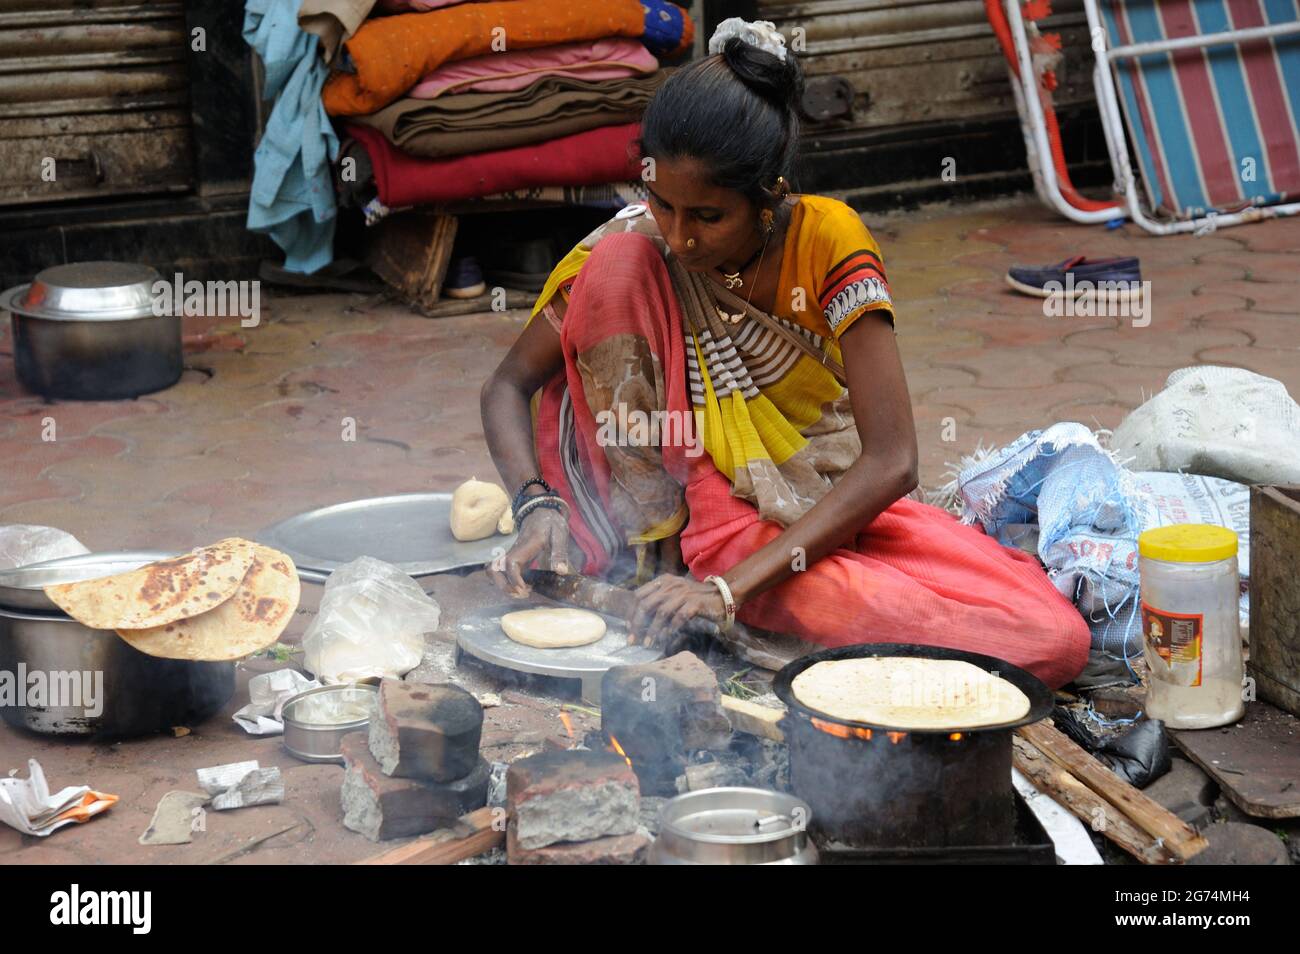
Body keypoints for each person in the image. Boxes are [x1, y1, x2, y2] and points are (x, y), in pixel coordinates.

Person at [479, 19, 1090, 687]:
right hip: (709, 524)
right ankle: (657, 562)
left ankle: (732, 610)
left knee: (1052, 637)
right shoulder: (638, 245)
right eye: (662, 204)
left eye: (708, 217)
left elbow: (893, 461)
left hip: (809, 505)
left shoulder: (828, 240)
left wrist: (727, 592)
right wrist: (538, 507)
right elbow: (506, 385)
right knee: (619, 263)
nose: (680, 238)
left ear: (768, 196)